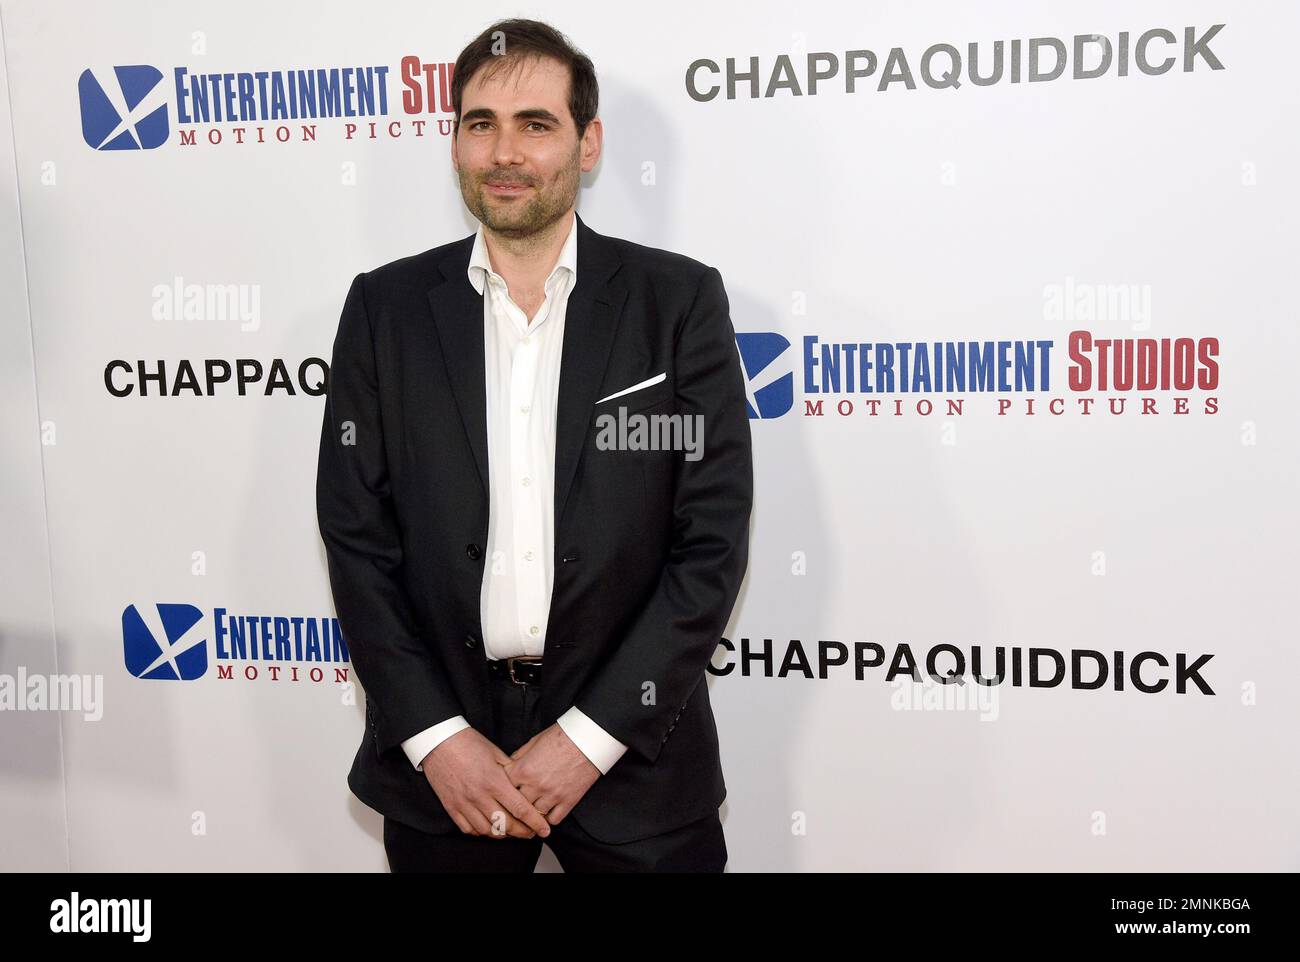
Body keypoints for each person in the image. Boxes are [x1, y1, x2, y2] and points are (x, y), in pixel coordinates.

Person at [315, 18, 752, 872]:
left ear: (587, 144)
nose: (504, 152)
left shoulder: (678, 304)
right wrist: (437, 737)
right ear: (454, 143)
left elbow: (710, 546)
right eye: (480, 124)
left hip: (637, 759)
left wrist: (588, 739)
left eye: (535, 125)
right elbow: (357, 540)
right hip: (447, 769)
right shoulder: (385, 309)